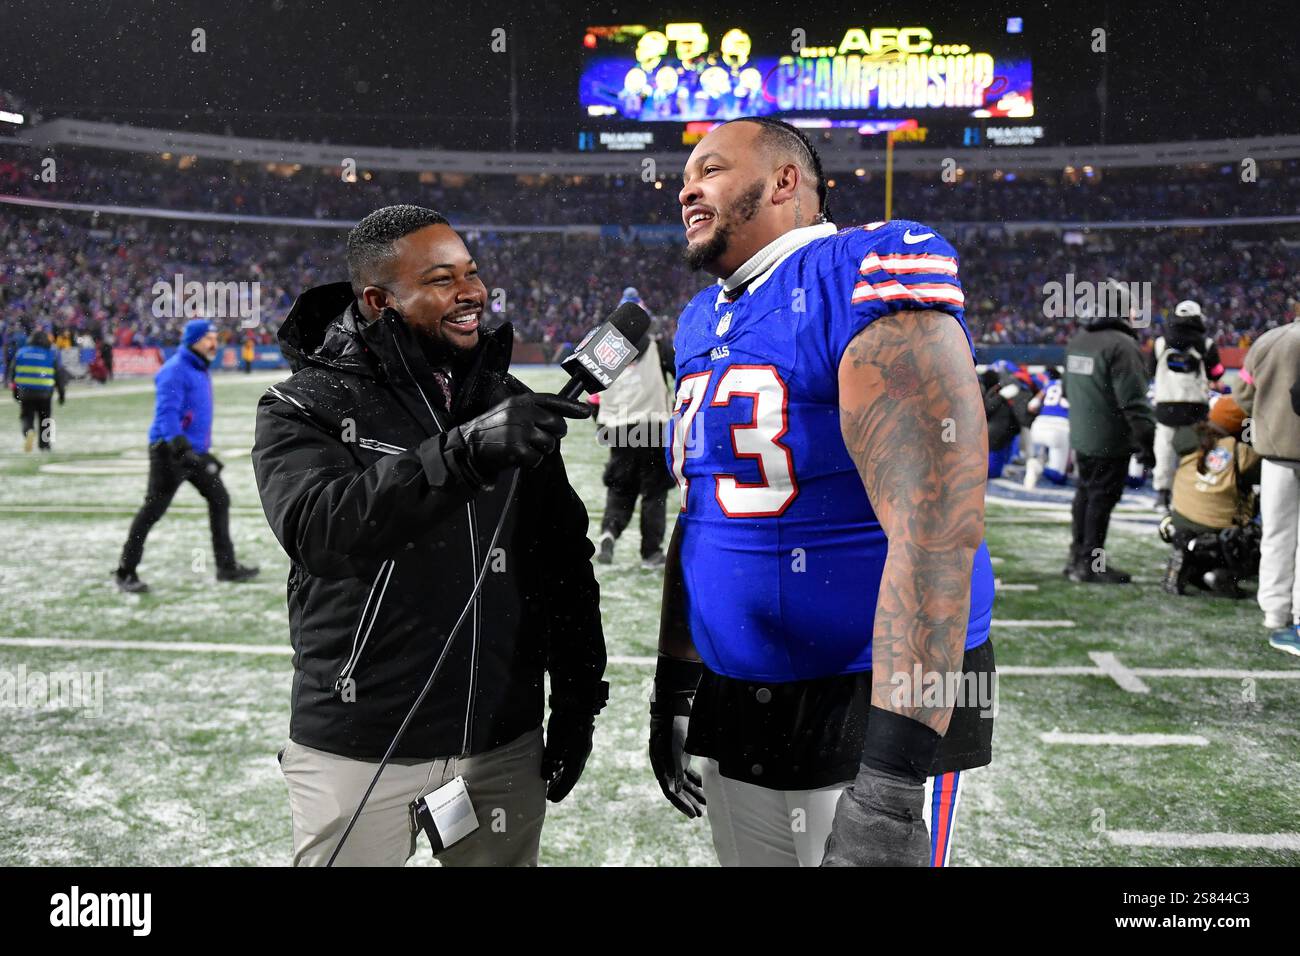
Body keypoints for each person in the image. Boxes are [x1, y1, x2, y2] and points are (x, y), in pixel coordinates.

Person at [650, 117, 995, 867]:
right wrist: (675, 686)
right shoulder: (700, 318)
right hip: (736, 691)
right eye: (686, 175)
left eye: (709, 168)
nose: (685, 188)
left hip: (861, 698)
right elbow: (700, 517)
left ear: (783, 181)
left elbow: (937, 524)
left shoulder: (865, 269)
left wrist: (894, 782)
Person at [252, 205, 608, 866]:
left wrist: (579, 700)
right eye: (442, 280)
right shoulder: (304, 404)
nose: (472, 292)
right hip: (362, 744)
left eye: (471, 273)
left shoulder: (507, 397)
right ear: (379, 299)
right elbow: (321, 528)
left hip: (500, 741)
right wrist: (464, 453)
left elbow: (564, 564)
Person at [114, 319, 259, 593]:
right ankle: (125, 571)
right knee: (152, 511)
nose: (214, 343)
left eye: (215, 337)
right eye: (208, 338)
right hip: (169, 452)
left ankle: (226, 567)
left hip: (193, 453)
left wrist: (201, 453)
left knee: (220, 499)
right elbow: (166, 415)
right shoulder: (175, 370)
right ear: (193, 340)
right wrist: (183, 450)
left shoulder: (199, 368)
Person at [1062, 303, 1156, 583]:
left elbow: (1068, 389)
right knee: (1101, 501)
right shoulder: (1122, 345)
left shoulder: (1077, 340)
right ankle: (1092, 564)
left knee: (1085, 495)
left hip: (1081, 436)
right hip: (1110, 438)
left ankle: (1077, 558)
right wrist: (1148, 443)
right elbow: (1134, 403)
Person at [594, 286, 677, 568]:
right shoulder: (657, 346)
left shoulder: (603, 350)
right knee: (654, 491)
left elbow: (594, 396)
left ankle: (609, 532)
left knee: (620, 488)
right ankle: (651, 552)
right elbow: (681, 374)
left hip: (617, 427)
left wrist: (603, 424)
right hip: (653, 425)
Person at [1236, 310, 1300, 657]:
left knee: (1276, 535)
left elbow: (1242, 393)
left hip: (1275, 454)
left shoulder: (1270, 339)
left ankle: (1275, 613)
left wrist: (1268, 415)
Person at [1159, 394, 1261, 597]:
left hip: (1180, 523)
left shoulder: (1187, 437)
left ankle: (1191, 564)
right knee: (1257, 539)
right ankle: (1222, 573)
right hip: (1221, 534)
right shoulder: (1244, 454)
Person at [1148, 300, 1224, 512]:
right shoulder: (1206, 344)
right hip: (1195, 409)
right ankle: (1192, 492)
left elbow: (1150, 371)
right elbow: (1216, 373)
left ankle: (1162, 494)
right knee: (1194, 455)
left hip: (1165, 406)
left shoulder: (1160, 343)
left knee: (1164, 452)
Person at [9, 329, 65, 452]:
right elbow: (59, 376)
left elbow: (13, 374)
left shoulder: (21, 353)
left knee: (26, 416)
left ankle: (28, 431)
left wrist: (15, 393)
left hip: (25, 392)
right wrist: (61, 394)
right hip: (45, 393)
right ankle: (45, 445)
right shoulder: (50, 354)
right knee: (45, 419)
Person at [1025, 367, 1071, 488]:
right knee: (1059, 476)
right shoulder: (1074, 386)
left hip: (1039, 424)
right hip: (1061, 427)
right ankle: (1039, 467)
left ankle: (1036, 463)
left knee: (1044, 452)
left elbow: (1031, 406)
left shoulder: (1050, 385)